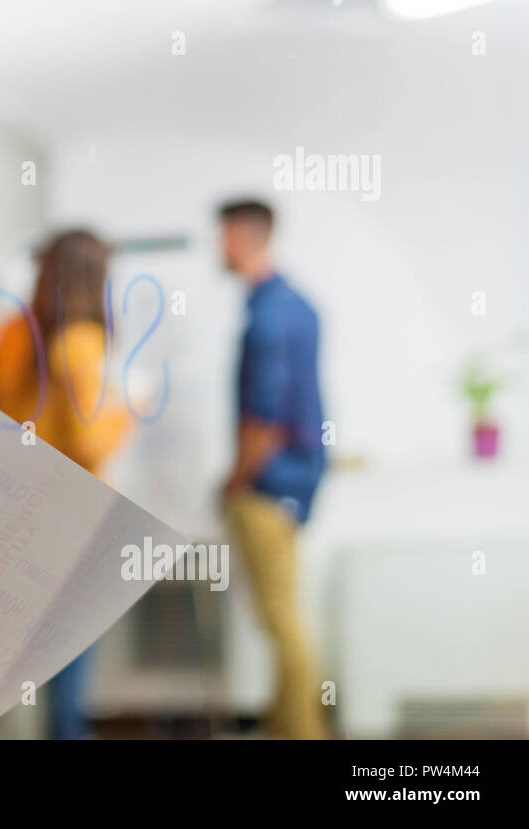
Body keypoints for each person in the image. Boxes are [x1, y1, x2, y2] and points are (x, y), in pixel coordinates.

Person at [0, 229, 133, 739]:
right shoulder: (82, 340)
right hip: (75, 517)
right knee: (69, 660)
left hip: (16, 508)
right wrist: (130, 412)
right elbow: (90, 439)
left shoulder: (9, 334)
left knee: (22, 658)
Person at [217, 198, 330, 740]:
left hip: (269, 480)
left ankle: (303, 732)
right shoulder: (299, 303)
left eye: (222, 235)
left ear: (241, 235)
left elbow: (266, 414)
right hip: (298, 477)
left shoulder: (267, 314)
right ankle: (289, 728)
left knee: (282, 619)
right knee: (284, 616)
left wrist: (236, 478)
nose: (220, 248)